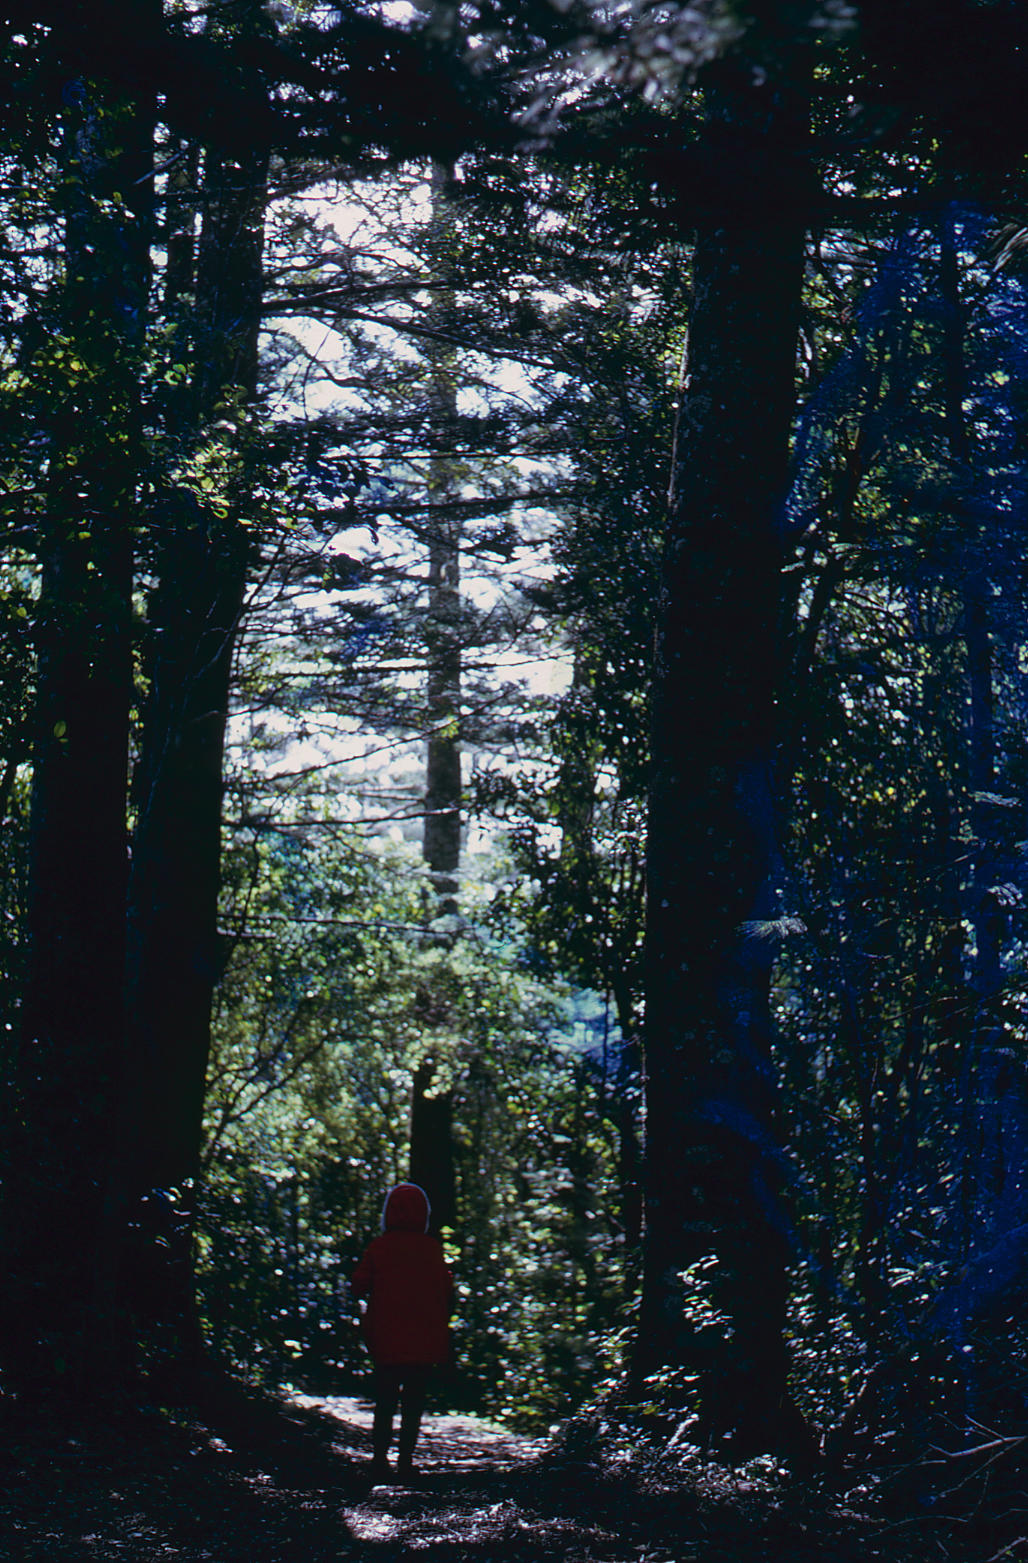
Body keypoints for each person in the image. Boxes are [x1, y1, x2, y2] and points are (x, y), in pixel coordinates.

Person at [351, 1182, 453, 1484]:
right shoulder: (432, 1249)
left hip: (385, 1338)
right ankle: (405, 1462)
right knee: (413, 1403)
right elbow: (447, 1292)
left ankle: (380, 1460)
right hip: (423, 1340)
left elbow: (358, 1286)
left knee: (384, 1401)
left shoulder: (379, 1247)